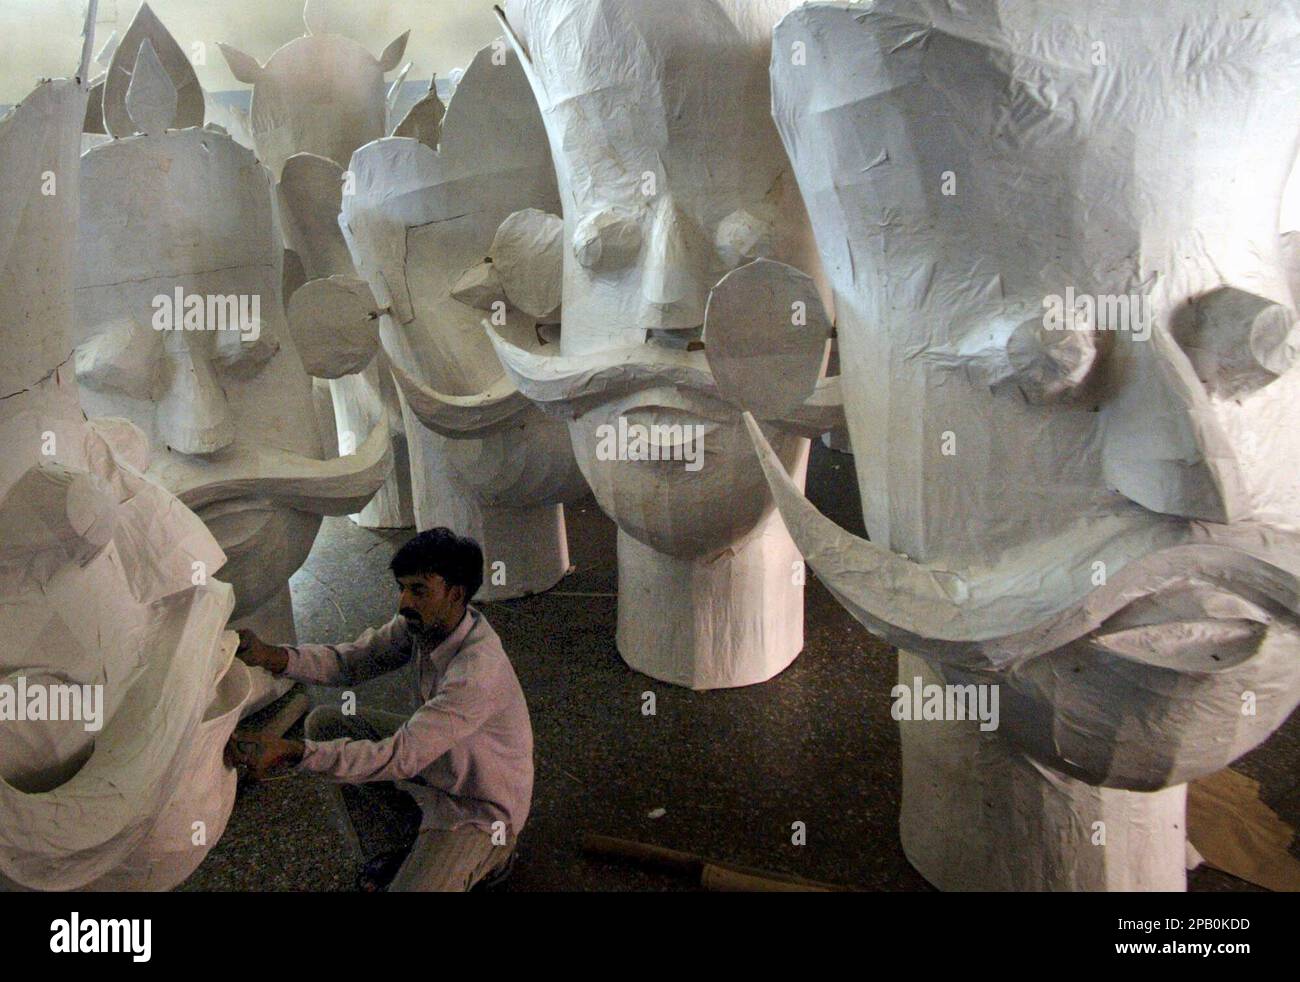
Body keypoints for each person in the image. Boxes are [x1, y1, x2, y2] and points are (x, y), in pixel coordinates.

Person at [227, 527, 533, 892]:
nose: (404, 602)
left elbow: (401, 757)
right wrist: (272, 656)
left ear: (456, 594)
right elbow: (349, 662)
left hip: (479, 807)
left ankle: (492, 859)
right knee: (326, 724)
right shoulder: (423, 625)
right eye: (402, 587)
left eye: (418, 590)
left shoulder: (476, 673)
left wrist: (294, 752)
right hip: (438, 762)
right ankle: (400, 848)